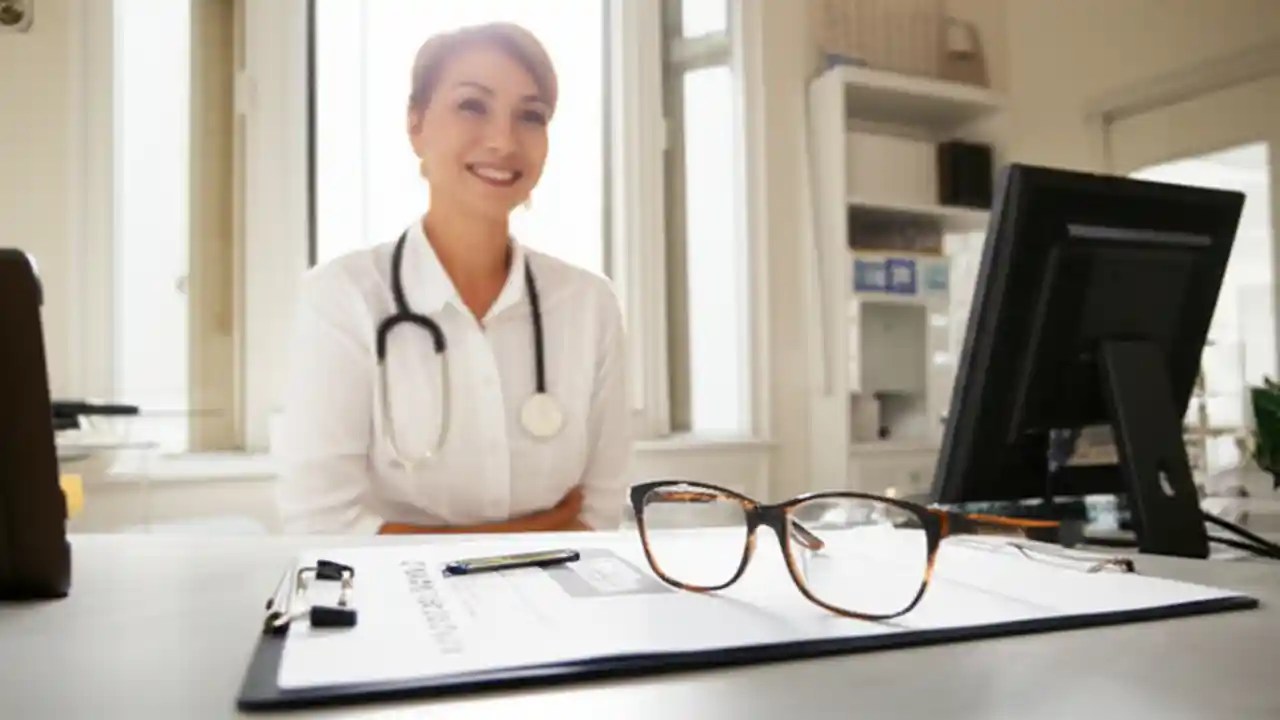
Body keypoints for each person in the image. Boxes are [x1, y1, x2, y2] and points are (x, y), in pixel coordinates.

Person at [275, 22, 631, 534]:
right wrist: (530, 532)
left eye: (530, 116)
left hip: (558, 609)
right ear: (416, 124)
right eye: (472, 105)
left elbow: (598, 516)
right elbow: (322, 523)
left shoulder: (588, 304)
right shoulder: (344, 298)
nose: (504, 140)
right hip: (389, 609)